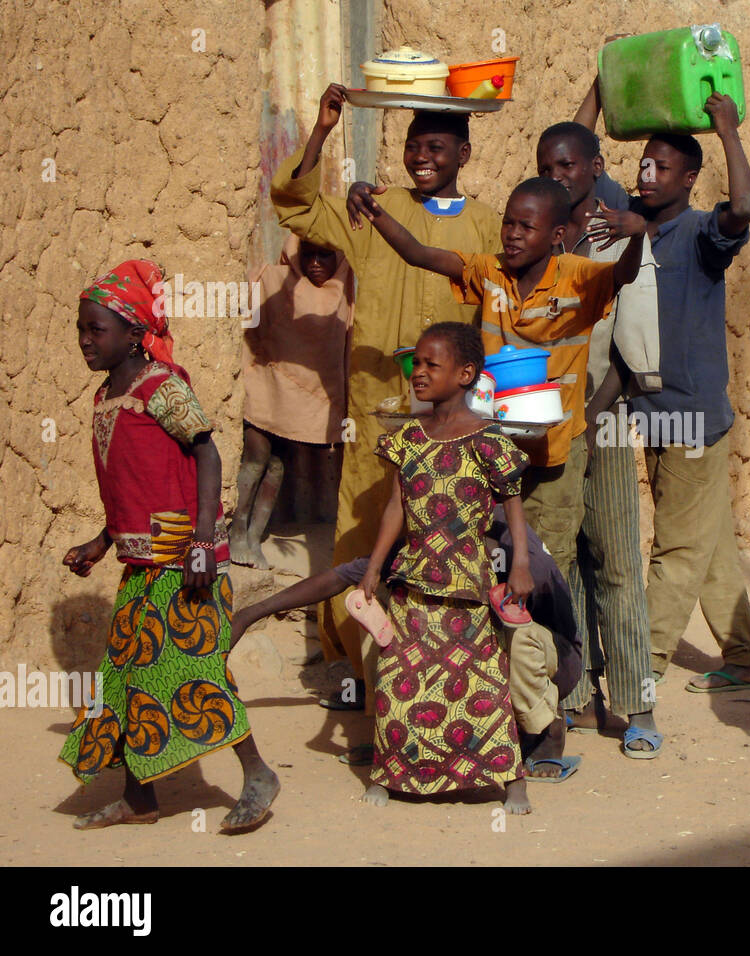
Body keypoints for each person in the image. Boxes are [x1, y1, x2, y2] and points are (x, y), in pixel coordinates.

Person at [271, 83, 500, 713]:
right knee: (362, 526)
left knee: (445, 535)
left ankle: (435, 663)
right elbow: (295, 208)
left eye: (435, 146)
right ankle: (351, 661)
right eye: (412, 145)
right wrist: (321, 130)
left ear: (463, 153)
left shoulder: (485, 223)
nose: (421, 156)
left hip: (453, 417)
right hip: (378, 408)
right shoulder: (374, 206)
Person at [351, 176, 645, 601]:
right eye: (509, 223)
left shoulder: (578, 277)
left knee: (545, 564)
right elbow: (418, 253)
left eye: (526, 227)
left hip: (552, 451)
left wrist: (635, 237)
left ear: (557, 234)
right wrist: (373, 212)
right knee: (491, 560)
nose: (512, 235)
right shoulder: (491, 274)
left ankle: (542, 661)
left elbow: (623, 275)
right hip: (490, 449)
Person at [60, 260, 279, 833]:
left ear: (134, 334)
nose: (85, 340)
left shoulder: (162, 387)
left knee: (191, 674)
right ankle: (139, 797)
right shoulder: (109, 395)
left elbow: (205, 453)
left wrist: (205, 540)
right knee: (127, 678)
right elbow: (135, 483)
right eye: (81, 329)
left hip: (186, 563)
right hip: (142, 564)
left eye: (96, 329)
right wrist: (103, 541)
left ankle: (258, 774)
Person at [576, 84, 750, 691]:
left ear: (690, 178)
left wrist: (727, 130)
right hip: (648, 412)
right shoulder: (628, 215)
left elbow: (744, 207)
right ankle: (744, 656)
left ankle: (644, 666)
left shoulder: (700, 234)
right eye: (643, 163)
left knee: (677, 549)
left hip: (693, 416)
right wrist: (601, 89)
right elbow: (573, 165)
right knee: (706, 545)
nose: (648, 173)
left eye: (662, 166)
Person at [227, 505, 583, 780]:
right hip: (465, 655)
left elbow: (561, 629)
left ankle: (544, 729)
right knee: (377, 616)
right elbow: (338, 578)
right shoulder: (426, 537)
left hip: (546, 656)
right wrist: (252, 613)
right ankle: (391, 734)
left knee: (518, 637)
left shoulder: (515, 547)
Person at [354, 322, 536, 813]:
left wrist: (519, 562)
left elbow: (512, 502)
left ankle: (509, 778)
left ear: (465, 374)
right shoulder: (409, 437)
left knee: (482, 682)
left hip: (466, 582)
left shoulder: (487, 438)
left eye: (432, 365)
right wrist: (373, 567)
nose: (418, 373)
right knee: (400, 679)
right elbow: (395, 505)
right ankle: (392, 772)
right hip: (414, 581)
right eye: (417, 363)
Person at [535, 121, 662, 757]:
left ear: (593, 167)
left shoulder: (620, 239)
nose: (557, 176)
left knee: (615, 561)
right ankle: (576, 695)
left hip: (601, 420)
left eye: (567, 165)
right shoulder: (538, 241)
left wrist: (586, 412)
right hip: (550, 428)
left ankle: (637, 704)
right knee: (564, 563)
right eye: (546, 166)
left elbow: (630, 353)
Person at [230, 235, 353, 569]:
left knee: (278, 464)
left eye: (325, 255)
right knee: (255, 455)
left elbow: (348, 344)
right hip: (266, 385)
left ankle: (254, 535)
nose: (315, 263)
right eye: (308, 255)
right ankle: (236, 527)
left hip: (302, 398)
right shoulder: (274, 279)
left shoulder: (345, 289)